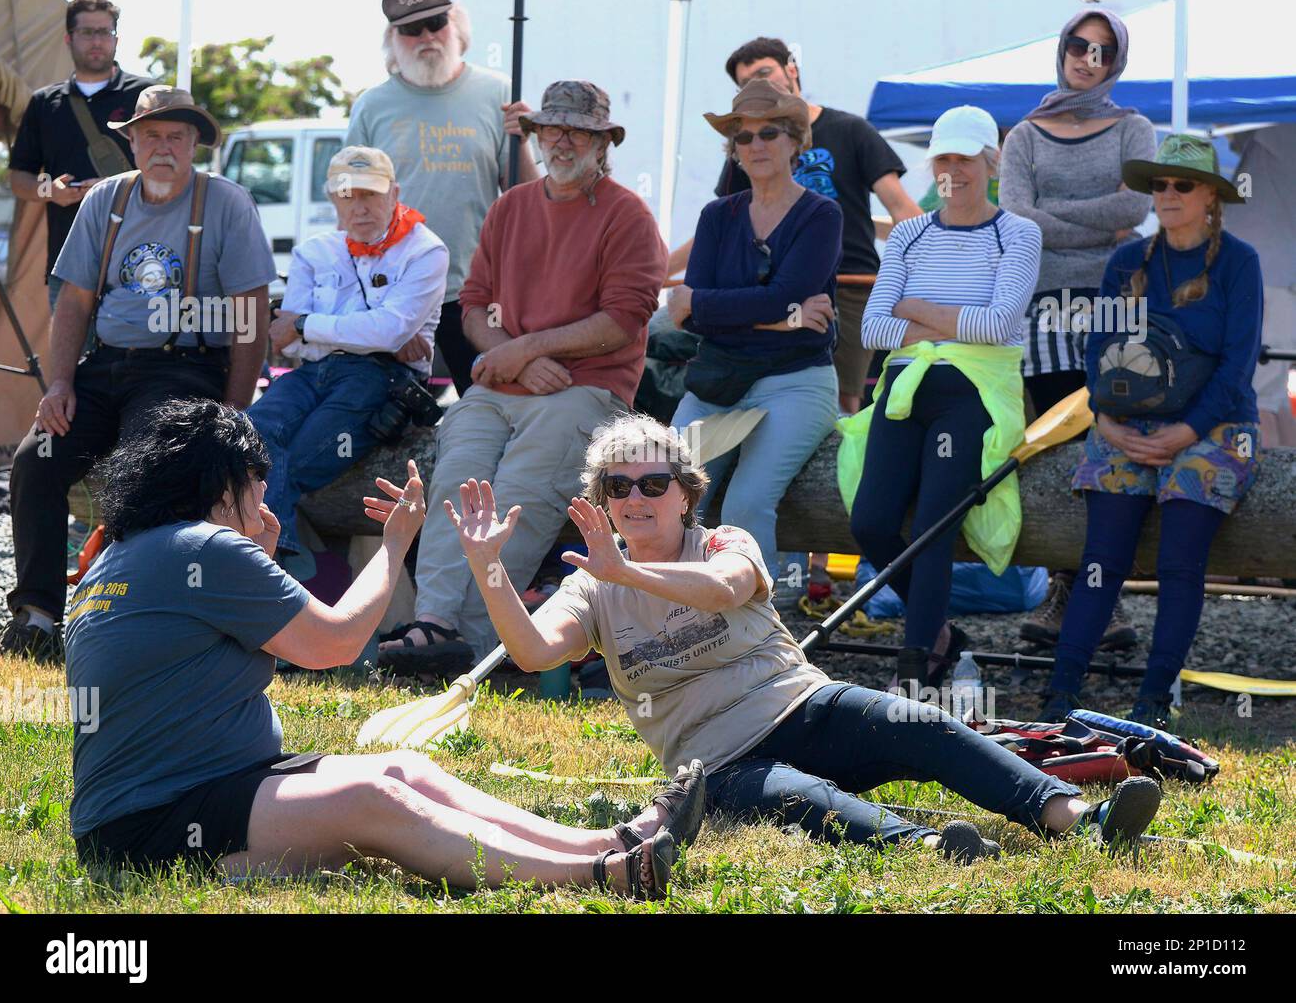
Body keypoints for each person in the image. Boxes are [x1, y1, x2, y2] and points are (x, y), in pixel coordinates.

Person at [438, 412, 1164, 862]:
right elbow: (534, 651)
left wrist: (632, 573)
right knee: (801, 797)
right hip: (718, 760)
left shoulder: (723, 539)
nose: (635, 499)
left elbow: (723, 590)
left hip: (803, 706)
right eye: (618, 488)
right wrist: (488, 568)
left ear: (685, 492)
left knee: (922, 722)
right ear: (601, 501)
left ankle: (1076, 816)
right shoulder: (592, 582)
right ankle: (939, 851)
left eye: (652, 484)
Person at [65, 400, 704, 898]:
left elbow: (206, 643)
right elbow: (337, 642)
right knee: (376, 800)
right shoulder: (204, 547)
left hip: (188, 795)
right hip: (159, 825)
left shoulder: (128, 551)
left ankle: (610, 840)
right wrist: (396, 543)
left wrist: (256, 553)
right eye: (257, 484)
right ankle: (602, 876)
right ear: (222, 483)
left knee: (404, 769)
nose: (264, 499)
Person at [380, 80, 667, 671]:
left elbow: (626, 317)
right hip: (502, 385)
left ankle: (480, 647)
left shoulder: (628, 214)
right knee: (456, 484)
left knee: (517, 498)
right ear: (535, 135)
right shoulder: (509, 207)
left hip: (587, 389)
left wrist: (525, 351)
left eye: (577, 131)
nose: (561, 141)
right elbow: (474, 303)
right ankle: (434, 625)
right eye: (550, 129)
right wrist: (520, 358)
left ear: (602, 142)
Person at [0, 85, 276, 662]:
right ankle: (39, 613)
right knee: (36, 457)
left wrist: (233, 413)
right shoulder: (105, 200)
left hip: (186, 369)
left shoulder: (226, 202)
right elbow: (73, 300)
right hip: (106, 366)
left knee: (150, 465)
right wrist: (59, 383)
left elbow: (251, 315)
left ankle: (133, 613)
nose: (164, 146)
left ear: (195, 143)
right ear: (130, 141)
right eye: (151, 134)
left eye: (177, 135)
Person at [1037, 135, 1262, 727]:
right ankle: (1061, 695)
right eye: (1159, 184)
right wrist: (1107, 422)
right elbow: (1100, 352)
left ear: (1211, 196)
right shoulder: (1126, 262)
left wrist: (1185, 433)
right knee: (1101, 558)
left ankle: (1153, 698)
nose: (1166, 194)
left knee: (1180, 562)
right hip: (1126, 422)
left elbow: (1239, 364)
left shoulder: (1241, 263)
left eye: (1181, 184)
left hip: (1216, 424)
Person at [849, 105, 1041, 690]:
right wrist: (952, 322)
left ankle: (918, 670)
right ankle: (939, 635)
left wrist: (916, 310)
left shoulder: (1018, 232)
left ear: (991, 163)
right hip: (907, 388)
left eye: (964, 158)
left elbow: (1000, 323)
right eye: (943, 159)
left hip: (973, 392)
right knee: (871, 523)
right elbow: (871, 329)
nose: (952, 170)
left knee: (935, 524)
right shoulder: (908, 232)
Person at [1000, 7, 1157, 651]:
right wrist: (1094, 224)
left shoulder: (1135, 127)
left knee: (1110, 440)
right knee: (1053, 443)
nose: (1086, 57)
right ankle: (1069, 589)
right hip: (1039, 305)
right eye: (1077, 44)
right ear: (1061, 47)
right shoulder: (1024, 135)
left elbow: (1137, 204)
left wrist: (1052, 214)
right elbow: (1015, 216)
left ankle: (1103, 594)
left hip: (1114, 300)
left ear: (1116, 60)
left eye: (1101, 49)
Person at [668, 37, 920, 418]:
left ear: (792, 69)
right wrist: (661, 274)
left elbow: (903, 210)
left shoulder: (851, 130)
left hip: (849, 285)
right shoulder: (746, 149)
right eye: (745, 82)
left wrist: (918, 281)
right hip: (757, 285)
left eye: (764, 72)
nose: (756, 143)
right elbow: (721, 224)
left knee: (840, 402)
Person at [665, 79, 842, 582]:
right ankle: (671, 622)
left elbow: (707, 302)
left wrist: (710, 303)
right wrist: (782, 317)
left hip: (796, 381)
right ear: (733, 149)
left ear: (794, 140)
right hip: (719, 381)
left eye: (769, 133)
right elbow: (689, 314)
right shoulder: (717, 216)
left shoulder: (821, 215)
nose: (756, 145)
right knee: (665, 490)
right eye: (743, 137)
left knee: (746, 502)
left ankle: (757, 629)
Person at [247, 146, 448, 561]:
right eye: (348, 195)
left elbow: (386, 333)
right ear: (332, 198)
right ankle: (268, 553)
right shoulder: (313, 251)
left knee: (304, 456)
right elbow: (289, 340)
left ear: (395, 193)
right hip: (316, 370)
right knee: (250, 431)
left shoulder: (426, 250)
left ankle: (268, 556)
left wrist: (309, 323)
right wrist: (368, 329)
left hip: (379, 376)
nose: (360, 207)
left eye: (370, 194)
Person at [345, 0, 539, 395]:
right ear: (392, 41)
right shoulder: (371, 105)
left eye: (436, 23)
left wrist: (521, 140)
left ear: (457, 28)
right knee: (383, 409)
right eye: (412, 30)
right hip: (392, 288)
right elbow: (348, 202)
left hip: (475, 287)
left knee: (489, 398)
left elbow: (528, 197)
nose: (427, 37)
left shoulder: (498, 93)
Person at [6, 0, 149, 314]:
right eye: (87, 32)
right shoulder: (44, 103)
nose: (96, 41)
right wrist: (50, 191)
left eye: (104, 32)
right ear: (69, 39)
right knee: (70, 363)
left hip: (139, 258)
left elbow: (171, 169)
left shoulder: (145, 96)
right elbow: (18, 178)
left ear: (116, 39)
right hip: (68, 262)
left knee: (139, 361)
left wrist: (113, 188)